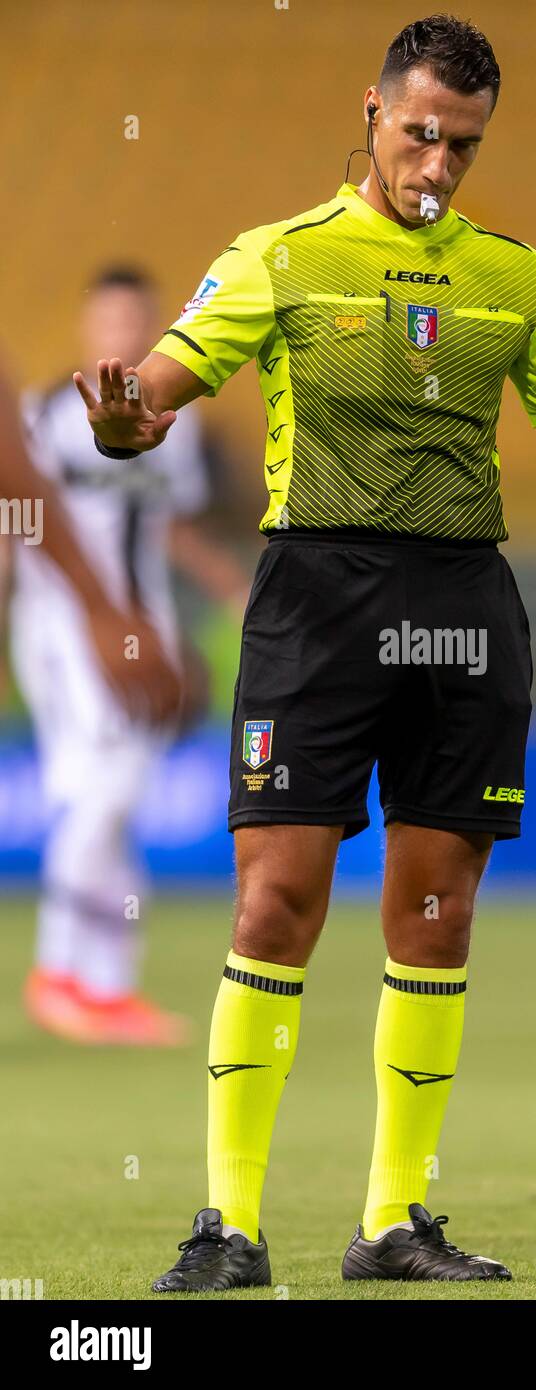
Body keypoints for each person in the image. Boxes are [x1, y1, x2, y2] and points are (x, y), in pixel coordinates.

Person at [72, 15, 536, 1286]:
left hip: (463, 604)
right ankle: (228, 1226)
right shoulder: (279, 257)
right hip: (316, 601)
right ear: (373, 113)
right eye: (419, 137)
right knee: (275, 901)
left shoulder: (513, 276)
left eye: (460, 148)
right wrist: (127, 424)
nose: (435, 169)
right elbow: (154, 398)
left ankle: (391, 1222)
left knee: (434, 914)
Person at [9, 267, 249, 1046]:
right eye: (110, 322)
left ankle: (104, 986)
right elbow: (17, 514)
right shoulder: (46, 414)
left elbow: (166, 525)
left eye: (136, 322)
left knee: (111, 794)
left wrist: (224, 587)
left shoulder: (168, 422)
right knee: (106, 786)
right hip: (67, 624)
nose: (123, 337)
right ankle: (59, 972)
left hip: (140, 623)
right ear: (89, 328)